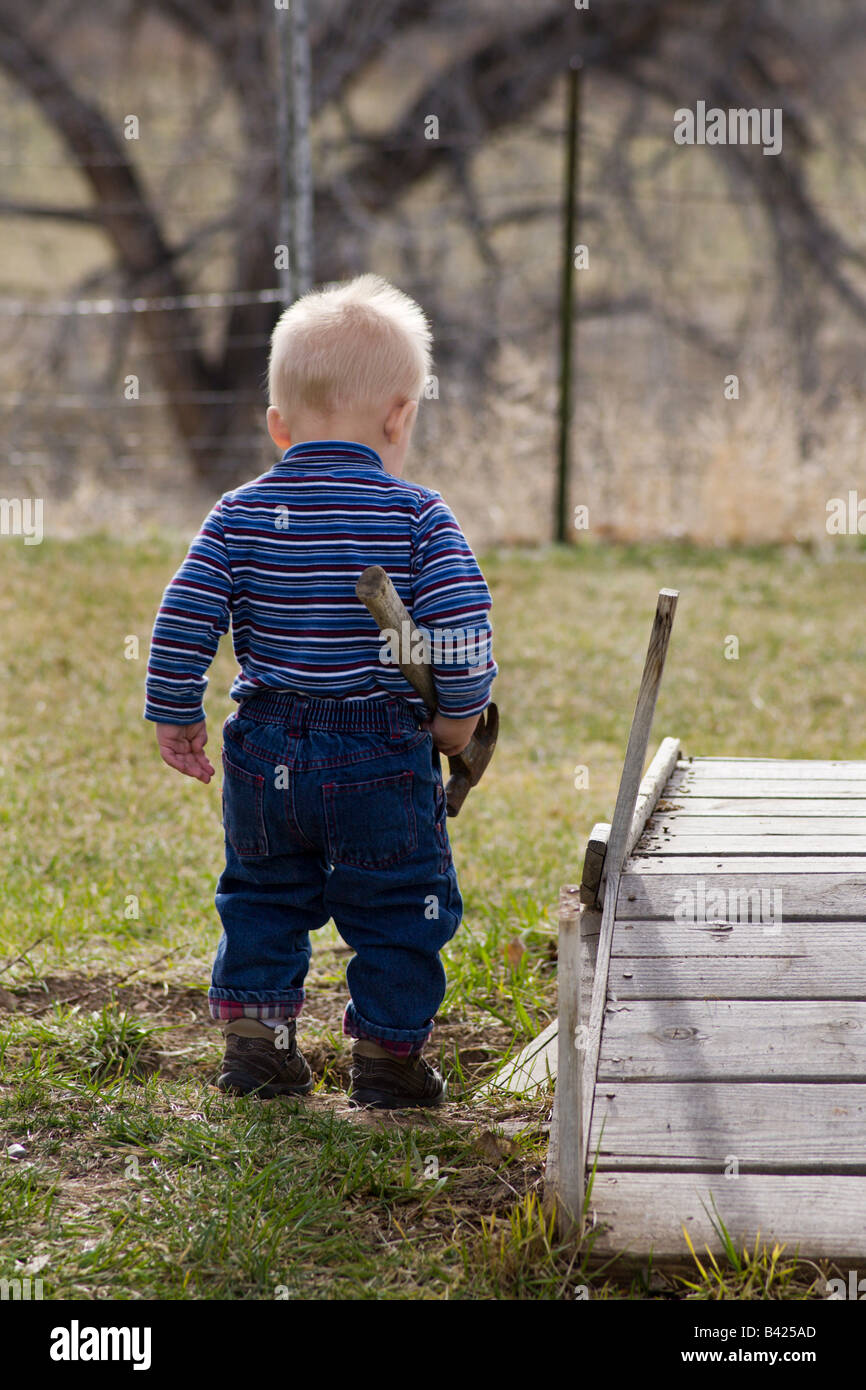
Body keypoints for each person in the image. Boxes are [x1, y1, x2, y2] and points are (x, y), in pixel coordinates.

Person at [144, 274, 497, 1108]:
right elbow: (459, 627)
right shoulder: (418, 516)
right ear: (400, 416)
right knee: (399, 905)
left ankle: (258, 1050)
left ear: (279, 424)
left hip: (265, 746)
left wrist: (175, 710)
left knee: (263, 896)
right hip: (378, 750)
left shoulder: (238, 514)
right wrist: (458, 716)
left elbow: (186, 613)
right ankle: (387, 1060)